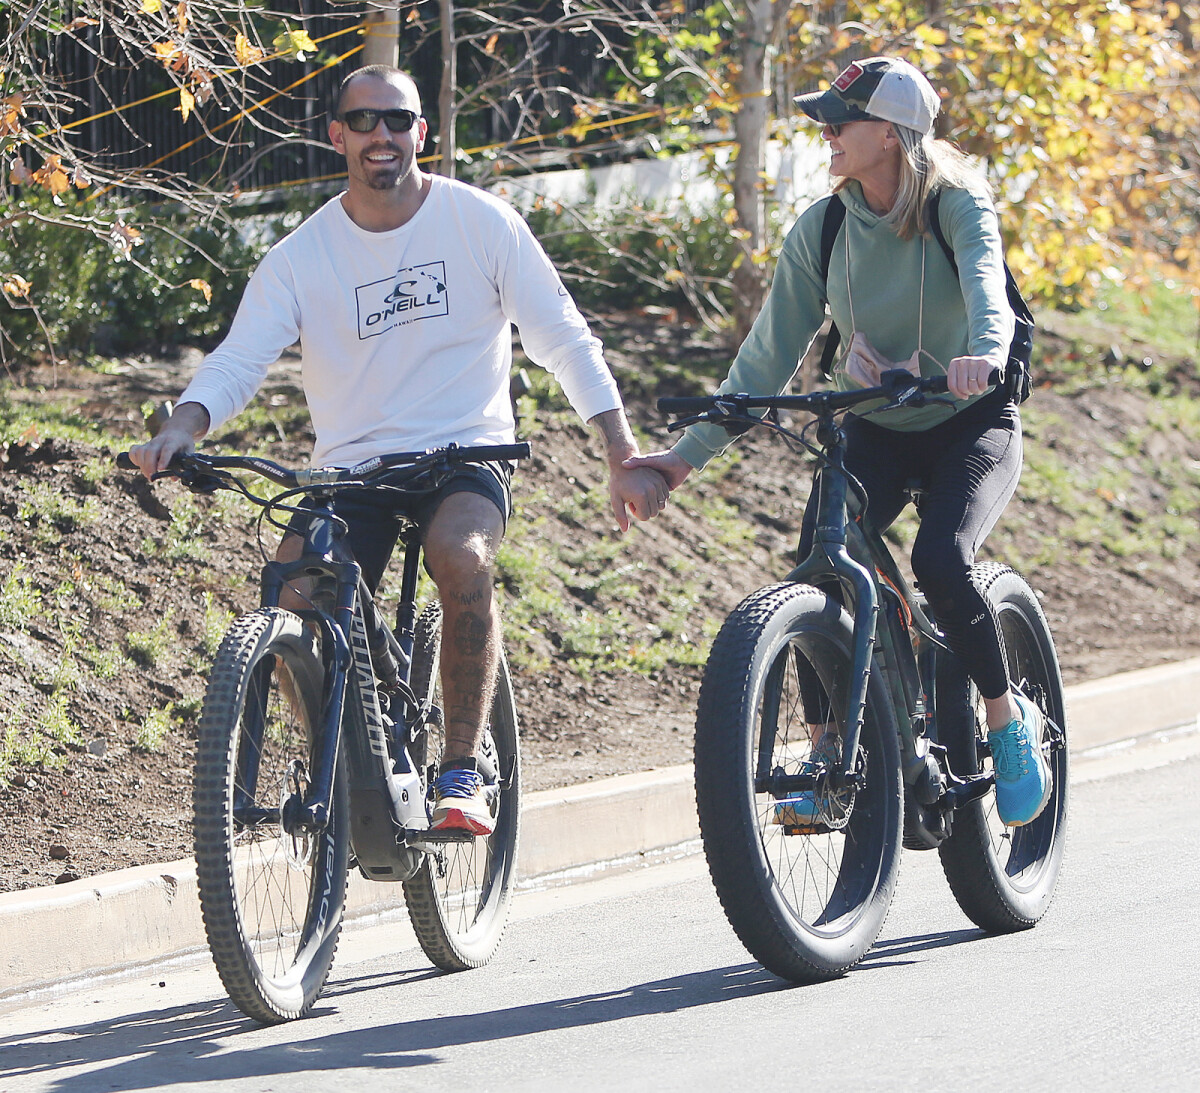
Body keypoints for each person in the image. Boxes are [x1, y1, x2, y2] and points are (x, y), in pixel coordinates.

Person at [130, 64, 670, 836]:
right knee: (293, 591)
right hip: (355, 467)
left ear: (422, 131)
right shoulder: (301, 255)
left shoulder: (480, 223)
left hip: (466, 453)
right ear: (336, 135)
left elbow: (561, 338)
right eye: (363, 120)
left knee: (461, 553)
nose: (380, 134)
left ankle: (459, 767)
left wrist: (619, 449)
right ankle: (342, 763)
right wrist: (185, 425)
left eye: (397, 119)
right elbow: (240, 356)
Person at [625, 56, 1050, 827]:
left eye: (841, 119)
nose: (826, 131)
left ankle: (1004, 720)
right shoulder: (823, 227)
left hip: (969, 421)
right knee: (822, 564)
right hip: (878, 427)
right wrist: (679, 461)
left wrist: (985, 354)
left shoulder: (957, 204)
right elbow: (763, 358)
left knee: (942, 560)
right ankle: (825, 755)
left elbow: (988, 285)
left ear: (890, 135)